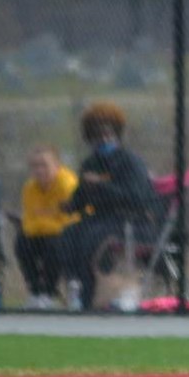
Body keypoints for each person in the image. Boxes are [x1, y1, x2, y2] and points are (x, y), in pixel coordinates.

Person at [60, 101, 156, 310]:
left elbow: (137, 198)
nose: (103, 139)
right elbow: (81, 199)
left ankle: (92, 296)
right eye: (97, 135)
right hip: (99, 219)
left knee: (91, 239)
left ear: (116, 134)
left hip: (131, 222)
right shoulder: (90, 163)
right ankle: (76, 290)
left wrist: (102, 185)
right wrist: (69, 205)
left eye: (108, 134)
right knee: (67, 236)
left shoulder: (130, 162)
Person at [16, 145, 79, 308]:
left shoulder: (67, 184)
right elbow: (28, 221)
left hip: (70, 235)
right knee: (22, 241)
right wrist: (46, 222)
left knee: (55, 244)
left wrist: (42, 222)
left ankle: (48, 293)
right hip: (41, 234)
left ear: (57, 166)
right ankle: (35, 292)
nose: (39, 170)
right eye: (35, 166)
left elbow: (68, 220)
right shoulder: (29, 188)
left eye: (44, 165)